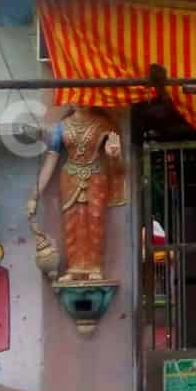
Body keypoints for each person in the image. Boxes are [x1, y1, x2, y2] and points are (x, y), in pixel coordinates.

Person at [26, 106, 124, 284]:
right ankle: (74, 268)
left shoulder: (104, 123)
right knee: (71, 222)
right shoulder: (61, 127)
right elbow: (51, 161)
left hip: (95, 175)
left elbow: (118, 168)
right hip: (69, 177)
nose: (78, 100)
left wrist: (114, 155)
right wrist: (35, 194)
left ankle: (94, 267)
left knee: (95, 220)